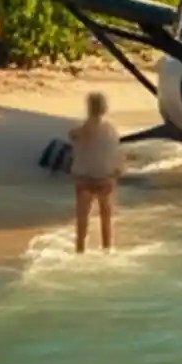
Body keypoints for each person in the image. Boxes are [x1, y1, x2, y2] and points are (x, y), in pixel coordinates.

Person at [68, 91, 123, 252]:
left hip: (85, 179)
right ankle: (107, 249)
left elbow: (74, 136)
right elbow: (115, 152)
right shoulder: (111, 128)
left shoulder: (84, 128)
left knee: (82, 220)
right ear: (105, 108)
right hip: (105, 178)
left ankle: (80, 251)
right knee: (106, 219)